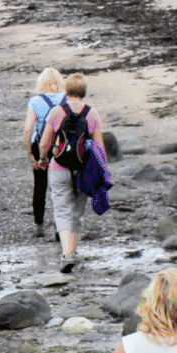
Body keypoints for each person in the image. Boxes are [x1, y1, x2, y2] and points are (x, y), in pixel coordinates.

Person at [35, 73, 108, 268]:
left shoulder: (57, 112)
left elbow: (44, 142)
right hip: (84, 168)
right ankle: (72, 251)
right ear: (83, 92)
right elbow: (100, 146)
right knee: (77, 211)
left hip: (59, 166)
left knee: (62, 210)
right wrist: (103, 171)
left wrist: (43, 159)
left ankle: (68, 254)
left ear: (66, 90)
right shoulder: (92, 113)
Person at [22, 68, 68, 238]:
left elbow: (28, 130)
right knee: (60, 187)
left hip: (40, 145)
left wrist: (29, 154)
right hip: (62, 147)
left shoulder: (35, 101)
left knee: (40, 186)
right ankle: (59, 227)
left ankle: (39, 226)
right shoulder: (67, 99)